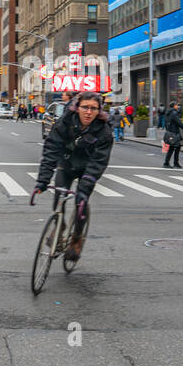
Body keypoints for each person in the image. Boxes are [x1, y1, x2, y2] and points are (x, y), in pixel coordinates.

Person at [31, 92, 114, 262]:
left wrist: (86, 185)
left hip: (88, 168)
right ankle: (59, 226)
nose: (88, 112)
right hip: (67, 163)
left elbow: (99, 161)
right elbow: (51, 149)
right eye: (85, 107)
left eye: (93, 108)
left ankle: (76, 239)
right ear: (77, 108)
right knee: (59, 196)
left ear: (99, 111)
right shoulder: (65, 122)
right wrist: (43, 180)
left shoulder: (104, 131)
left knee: (81, 202)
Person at [163, 100, 183, 168]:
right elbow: (179, 123)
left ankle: (171, 163)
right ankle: (171, 163)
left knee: (174, 147)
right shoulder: (174, 113)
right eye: (177, 105)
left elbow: (166, 123)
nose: (177, 106)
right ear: (174, 106)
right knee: (175, 147)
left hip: (170, 132)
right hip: (174, 133)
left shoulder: (168, 113)